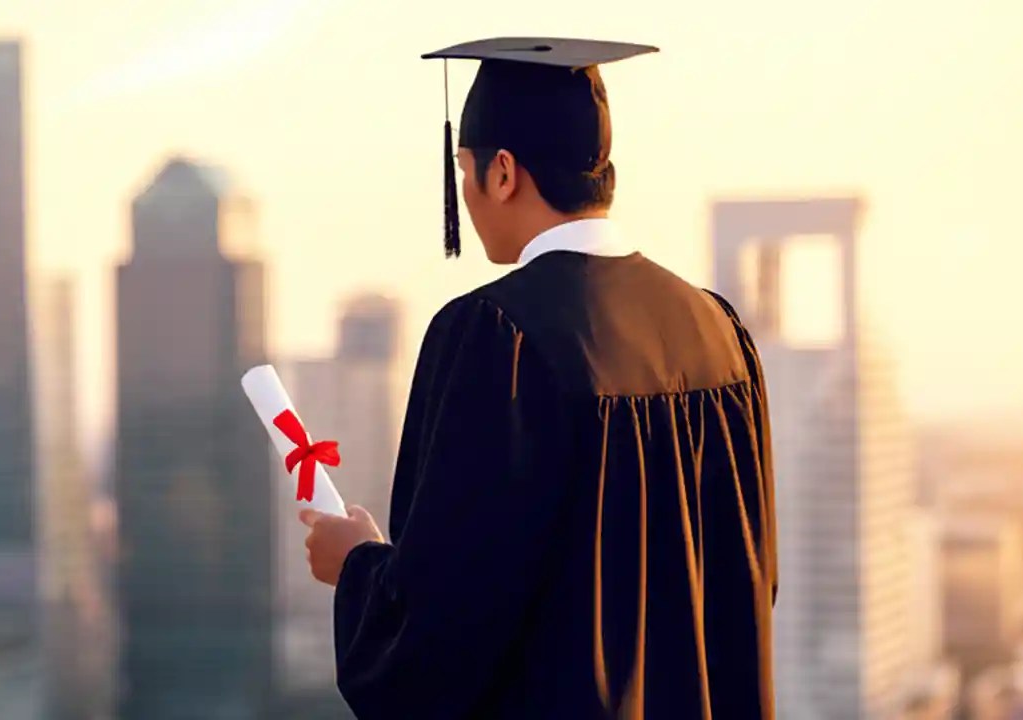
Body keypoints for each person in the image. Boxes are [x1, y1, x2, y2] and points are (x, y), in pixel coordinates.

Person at [300, 37, 777, 719]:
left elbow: (443, 625)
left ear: (502, 173)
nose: (466, 193)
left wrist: (358, 567)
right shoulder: (719, 333)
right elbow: (750, 590)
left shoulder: (498, 336)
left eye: (465, 170)